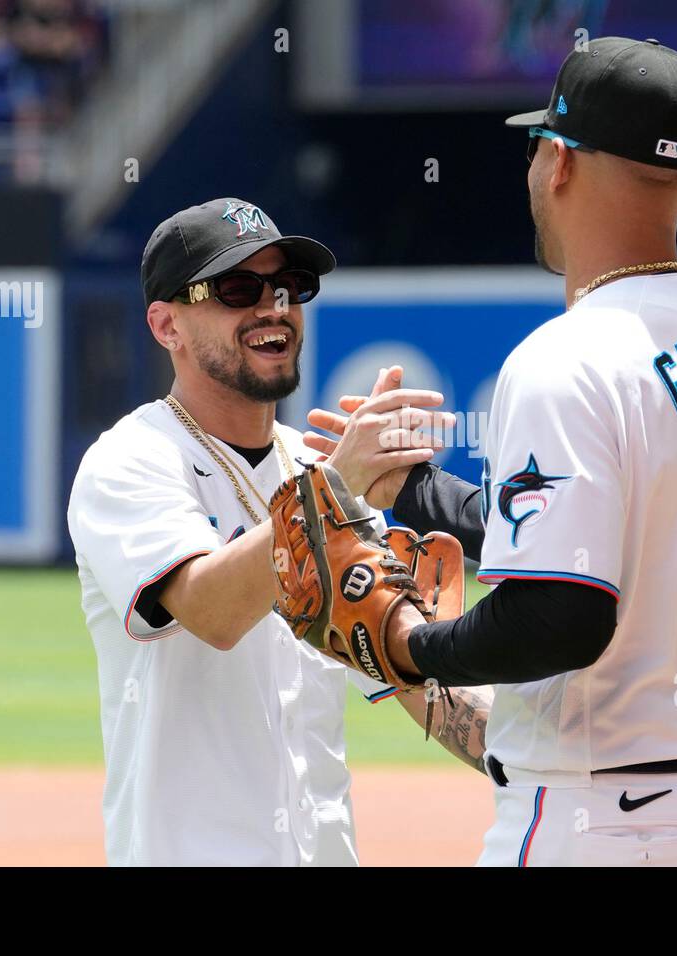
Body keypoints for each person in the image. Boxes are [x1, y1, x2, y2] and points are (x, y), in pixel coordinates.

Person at [308, 38, 677, 866]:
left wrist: (403, 642)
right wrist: (416, 493)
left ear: (560, 163)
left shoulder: (564, 355)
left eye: (538, 147)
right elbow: (610, 539)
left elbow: (559, 619)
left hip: (612, 813)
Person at [67, 198, 489, 866]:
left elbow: (411, 676)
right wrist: (334, 491)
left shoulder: (319, 470)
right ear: (165, 324)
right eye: (237, 288)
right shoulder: (130, 460)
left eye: (289, 288)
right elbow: (211, 612)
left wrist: (550, 770)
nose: (274, 307)